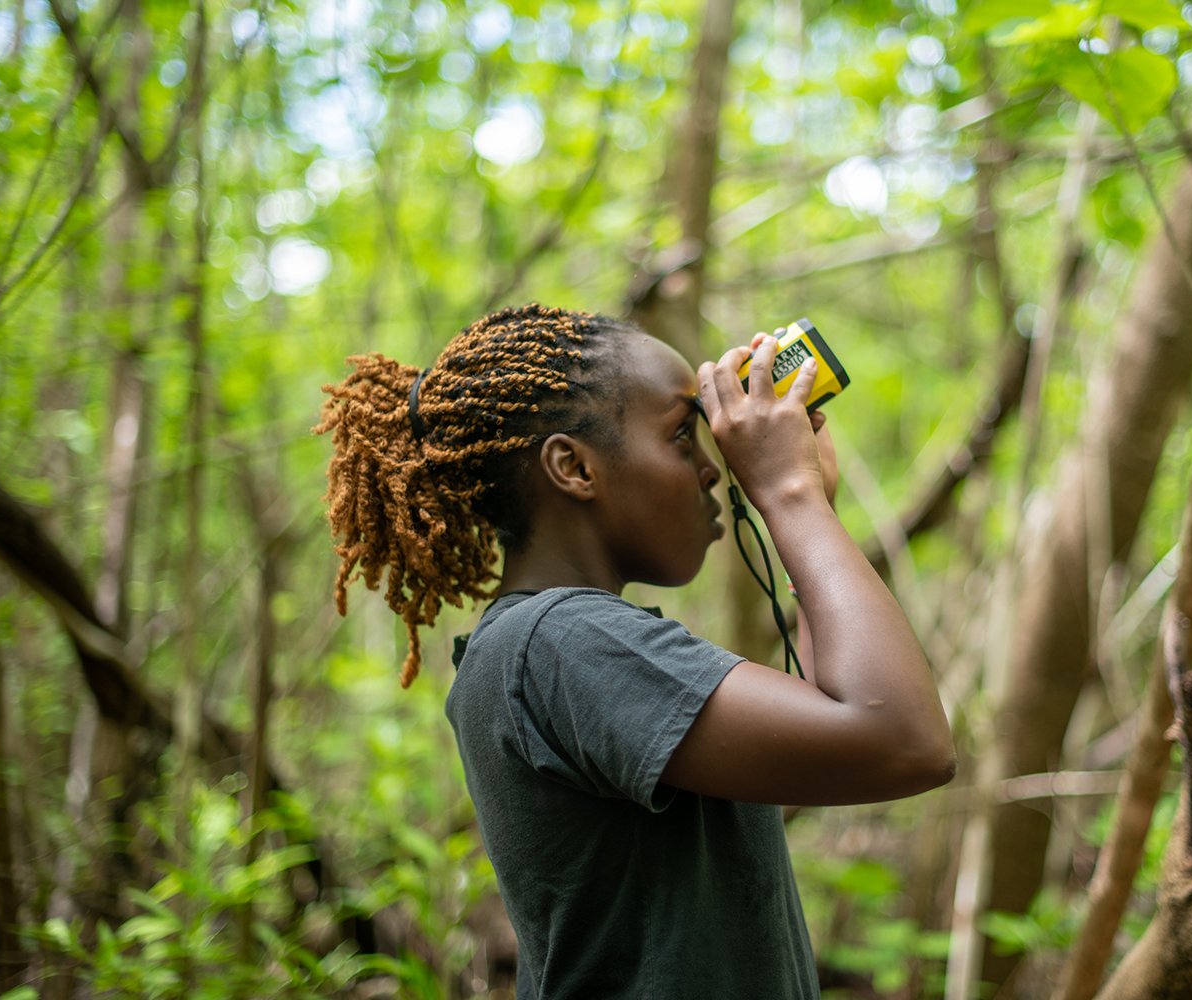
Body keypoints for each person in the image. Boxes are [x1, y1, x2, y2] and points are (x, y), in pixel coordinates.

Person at [317, 304, 954, 998]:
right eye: (682, 435)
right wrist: (789, 493)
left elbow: (829, 734)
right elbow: (904, 741)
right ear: (573, 467)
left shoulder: (543, 644)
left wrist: (809, 511)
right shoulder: (557, 642)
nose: (713, 469)